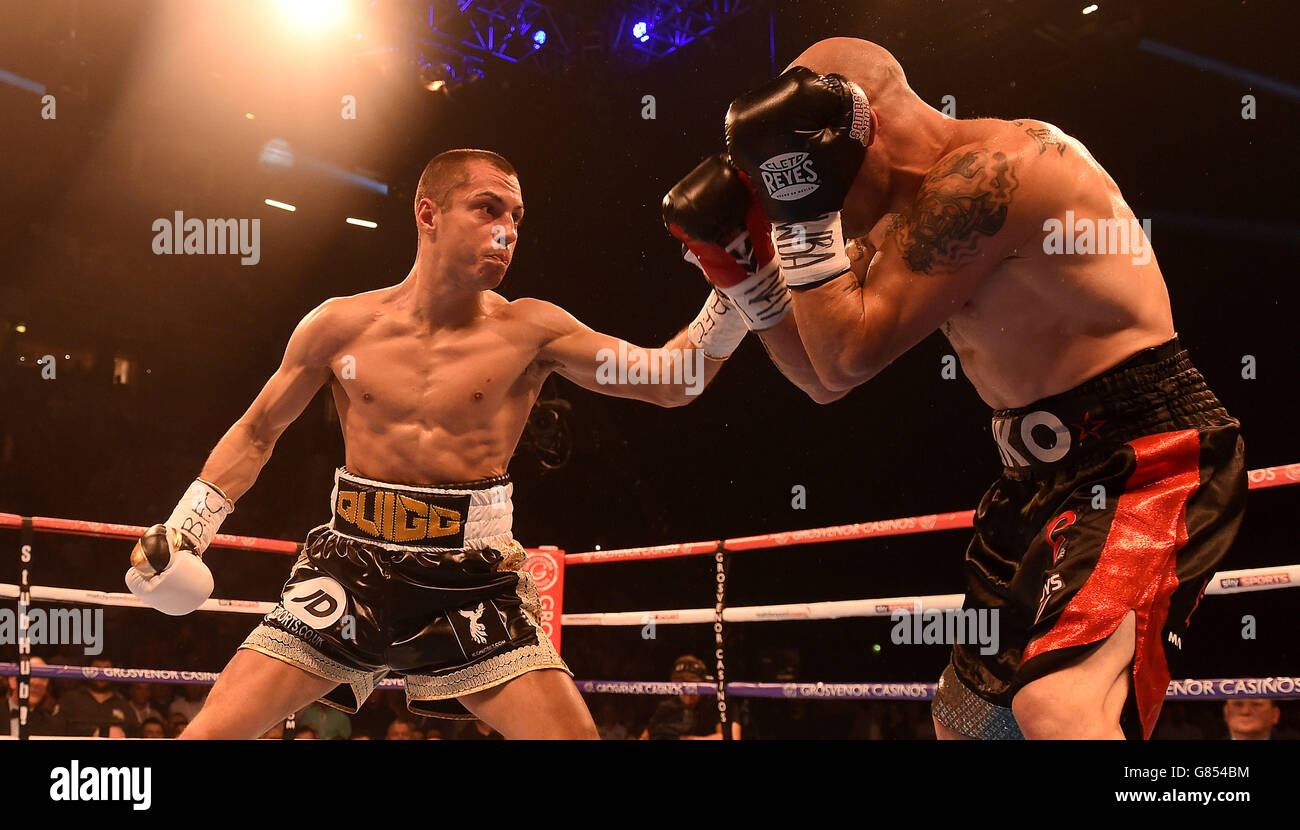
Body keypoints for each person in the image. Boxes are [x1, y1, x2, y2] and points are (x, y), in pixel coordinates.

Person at [125, 149, 836, 740]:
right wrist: (187, 530)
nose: (507, 230)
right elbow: (257, 432)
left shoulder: (532, 331)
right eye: (488, 209)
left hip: (474, 579)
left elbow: (671, 379)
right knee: (210, 734)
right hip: (351, 567)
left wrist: (736, 277)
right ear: (428, 214)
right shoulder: (336, 326)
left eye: (517, 217)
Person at [684, 38, 1246, 740]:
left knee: (1061, 707)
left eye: (799, 172)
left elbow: (846, 356)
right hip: (1033, 479)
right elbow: (820, 376)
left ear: (857, 132)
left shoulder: (999, 170)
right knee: (968, 719)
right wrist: (744, 273)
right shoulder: (896, 221)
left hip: (1145, 456)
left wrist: (798, 214)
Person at [640, 655, 740, 740]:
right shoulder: (668, 707)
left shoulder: (719, 701)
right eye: (682, 688)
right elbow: (644, 737)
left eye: (692, 688)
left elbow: (733, 737)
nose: (688, 695)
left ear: (703, 683)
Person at [58, 659, 140, 737]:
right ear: (89, 670)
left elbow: (135, 734)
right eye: (97, 669)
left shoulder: (124, 705)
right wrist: (98, 733)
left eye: (107, 670)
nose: (101, 674)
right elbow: (57, 729)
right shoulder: (70, 699)